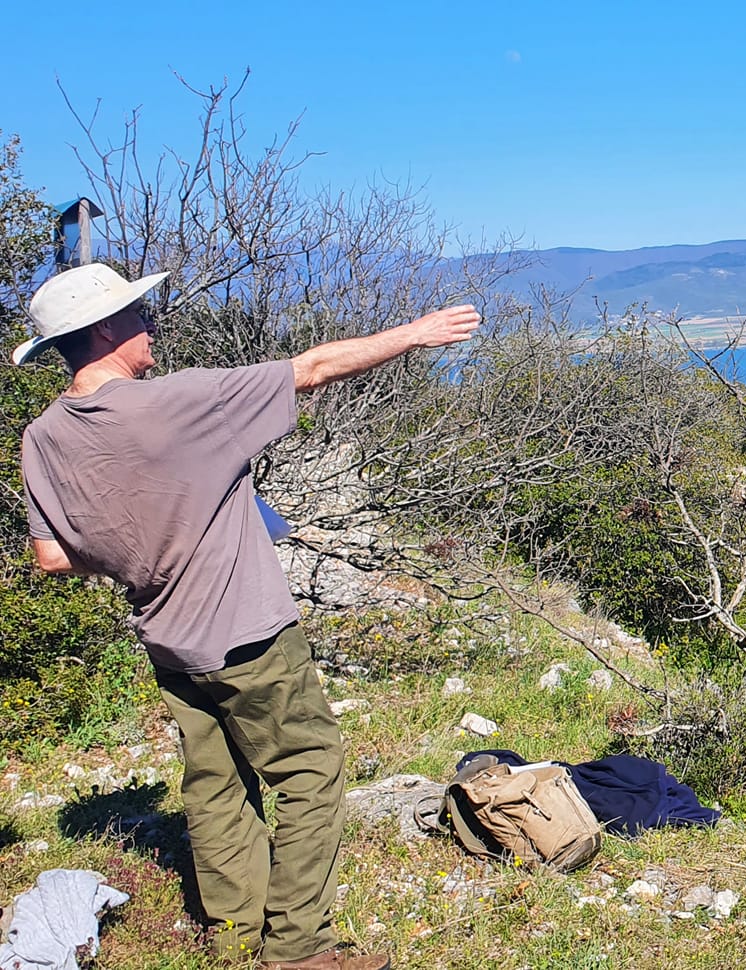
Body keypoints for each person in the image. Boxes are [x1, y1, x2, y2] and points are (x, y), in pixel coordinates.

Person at [13, 263, 480, 970]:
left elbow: (51, 557)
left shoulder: (43, 437)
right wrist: (417, 334)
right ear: (104, 330)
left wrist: (145, 549)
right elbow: (313, 368)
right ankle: (298, 952)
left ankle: (233, 939)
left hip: (167, 638)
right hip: (247, 632)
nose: (150, 327)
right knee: (309, 772)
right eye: (137, 316)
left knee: (217, 785)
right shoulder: (179, 402)